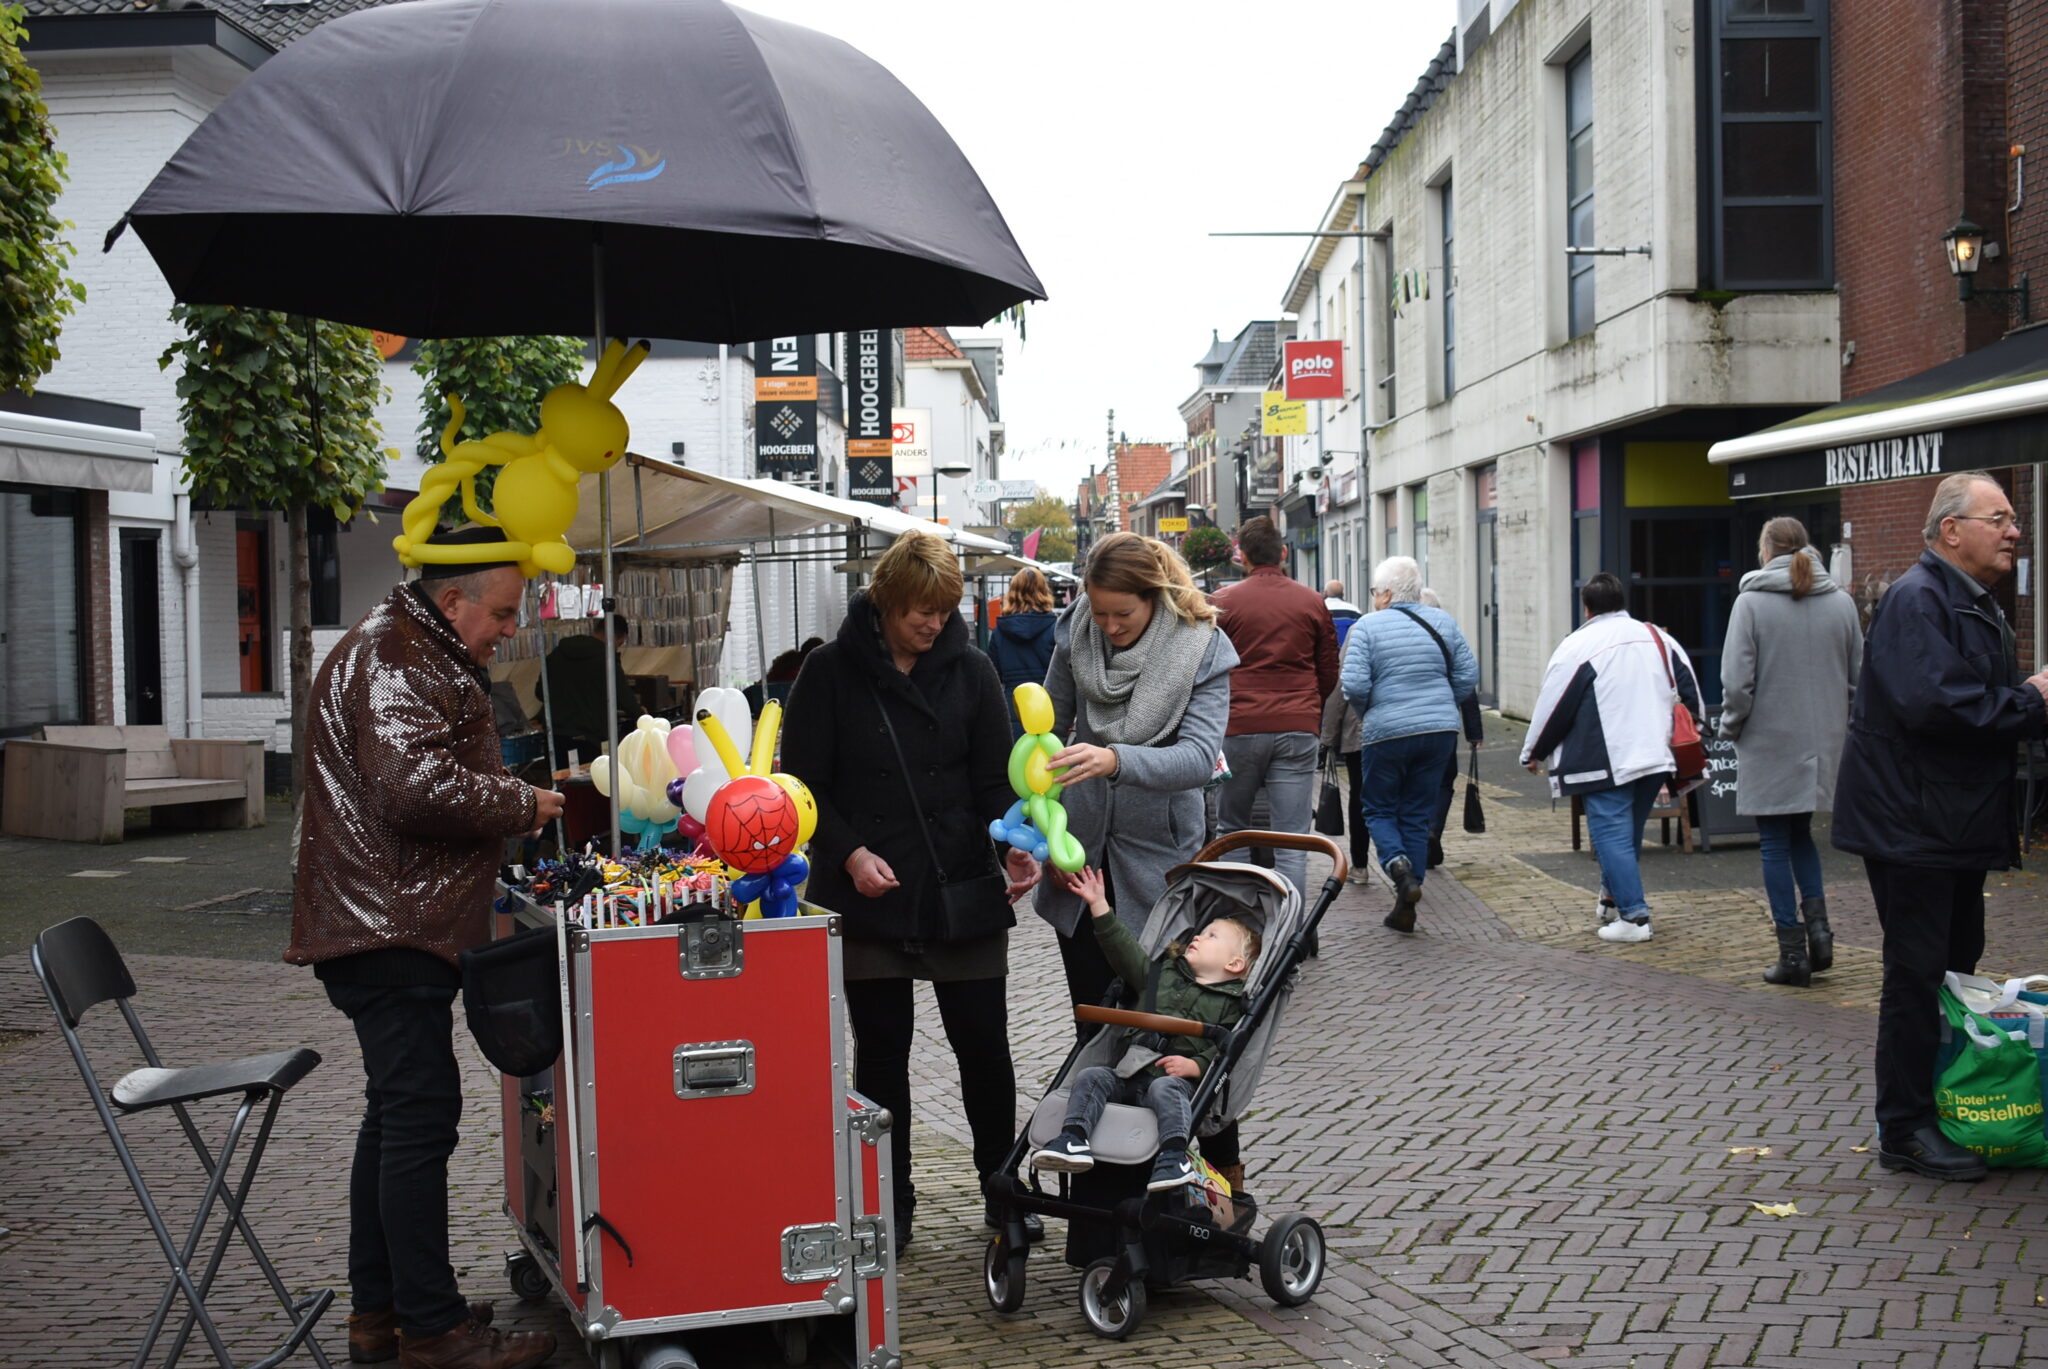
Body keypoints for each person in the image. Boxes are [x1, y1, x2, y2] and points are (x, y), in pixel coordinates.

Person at [287, 526, 564, 1369]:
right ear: (454, 600)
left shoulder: (404, 641)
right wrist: (518, 801)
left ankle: (387, 1313)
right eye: (503, 612)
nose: (508, 629)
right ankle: (434, 1332)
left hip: (381, 916)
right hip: (388, 920)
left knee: (396, 1114)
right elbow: (413, 786)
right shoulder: (401, 655)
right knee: (418, 1116)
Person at [780, 531, 1042, 1250]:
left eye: (943, 610)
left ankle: (1002, 1187)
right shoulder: (829, 672)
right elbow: (803, 782)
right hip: (871, 885)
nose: (931, 623)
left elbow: (995, 778)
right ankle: (889, 1202)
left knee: (984, 1045)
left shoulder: (974, 671)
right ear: (887, 600)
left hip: (960, 879)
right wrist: (849, 851)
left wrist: (1013, 845)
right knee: (882, 1050)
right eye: (919, 610)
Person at [1833, 472, 2048, 1181]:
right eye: (1999, 517)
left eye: (2015, 516)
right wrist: (2032, 700)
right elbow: (1943, 707)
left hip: (1947, 822)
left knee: (1954, 968)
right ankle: (1906, 1129)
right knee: (1919, 974)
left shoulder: (1973, 599)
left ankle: (1953, 1107)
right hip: (1913, 823)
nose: (2014, 528)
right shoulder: (1919, 600)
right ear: (1951, 530)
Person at [1035, 532, 1241, 1187]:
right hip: (1082, 863)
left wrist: (1115, 759)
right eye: (1098, 612)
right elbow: (1047, 721)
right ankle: (1105, 1191)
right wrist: (1031, 792)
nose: (1109, 626)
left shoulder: (1201, 647)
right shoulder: (1076, 633)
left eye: (1122, 613)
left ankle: (1214, 1184)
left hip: (1160, 871)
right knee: (1099, 1033)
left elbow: (1197, 758)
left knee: (1178, 1033)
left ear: (1154, 597)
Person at [1029, 864, 1256, 1192]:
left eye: (1211, 936)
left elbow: (1228, 1049)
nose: (1197, 936)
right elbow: (1125, 954)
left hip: (1173, 1085)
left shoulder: (1232, 1003)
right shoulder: (1160, 978)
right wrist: (1098, 905)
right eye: (1201, 931)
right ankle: (1073, 1138)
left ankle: (1173, 1156)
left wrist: (1195, 1065)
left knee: (1165, 1089)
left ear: (1234, 964)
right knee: (1093, 1076)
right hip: (1127, 1076)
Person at [1718, 518, 1862, 988]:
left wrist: (1730, 727)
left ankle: (1792, 952)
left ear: (1766, 551)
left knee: (1775, 842)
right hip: (1822, 742)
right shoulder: (1841, 603)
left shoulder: (1751, 603)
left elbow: (1737, 684)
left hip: (1768, 739)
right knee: (1801, 835)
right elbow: (1859, 678)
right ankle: (1821, 935)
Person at [1520, 572, 1700, 946]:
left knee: (1611, 835)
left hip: (1604, 757)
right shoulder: (1658, 637)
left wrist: (1533, 751)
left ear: (1586, 608)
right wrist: (1696, 729)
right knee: (1626, 833)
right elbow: (1691, 692)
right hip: (1656, 754)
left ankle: (1634, 917)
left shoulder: (1577, 645)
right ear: (1622, 603)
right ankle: (1610, 897)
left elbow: (1555, 704)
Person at [1341, 556, 1477, 932]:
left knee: (1379, 808)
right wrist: (1441, 705)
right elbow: (1468, 674)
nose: (1373, 598)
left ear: (1385, 594)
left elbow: (1352, 685)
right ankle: (1410, 889)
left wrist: (1374, 710)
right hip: (1439, 734)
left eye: (1374, 591)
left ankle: (1398, 867)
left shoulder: (1367, 628)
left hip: (1387, 732)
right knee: (1418, 811)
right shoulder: (1443, 622)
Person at [1211, 517, 1339, 900]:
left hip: (1239, 726)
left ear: (1243, 556)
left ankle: (1236, 925)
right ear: (1283, 553)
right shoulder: (1312, 601)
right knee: (1292, 840)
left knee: (1230, 830)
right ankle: (1291, 939)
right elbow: (1329, 671)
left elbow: (1205, 667)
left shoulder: (1222, 603)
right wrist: (1308, 707)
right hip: (1297, 725)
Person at [542, 613, 632, 765]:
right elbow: (624, 698)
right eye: (619, 644)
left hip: (556, 737)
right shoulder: (606, 660)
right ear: (617, 638)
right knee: (587, 786)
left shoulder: (557, 653)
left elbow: (540, 691)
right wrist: (643, 717)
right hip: (589, 739)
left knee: (560, 785)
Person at [986, 566, 1060, 733]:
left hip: (1013, 709)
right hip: (1048, 709)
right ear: (1044, 590)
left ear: (1012, 592)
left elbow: (992, 677)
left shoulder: (999, 632)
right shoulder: (1055, 629)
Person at [1319, 680, 1371, 884]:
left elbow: (1342, 687)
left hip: (1361, 732)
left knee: (1361, 798)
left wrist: (1328, 738)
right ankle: (1406, 864)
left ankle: (1360, 866)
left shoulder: (1355, 646)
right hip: (1405, 729)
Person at [1325, 578, 1363, 647]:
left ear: (1326, 592)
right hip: (1347, 653)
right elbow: (1359, 635)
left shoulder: (1319, 609)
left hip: (1325, 654)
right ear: (1342, 594)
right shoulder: (1354, 610)